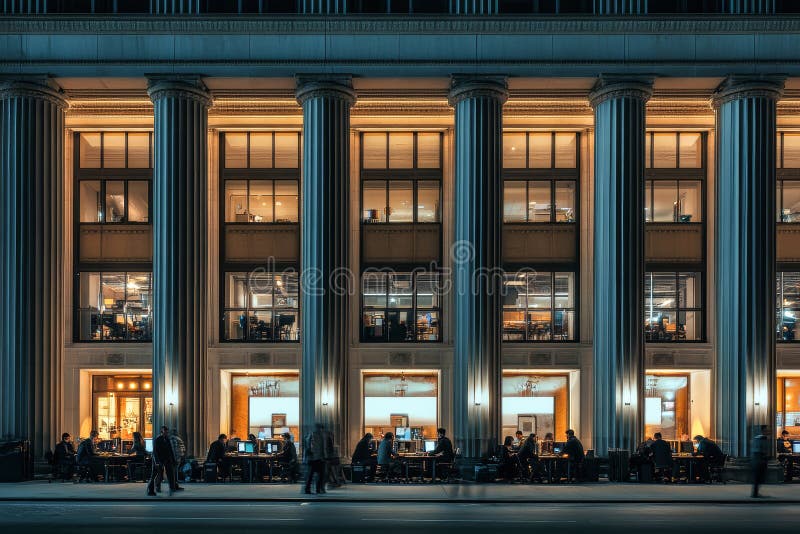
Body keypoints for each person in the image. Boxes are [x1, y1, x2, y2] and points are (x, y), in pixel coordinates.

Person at [147, 426, 180, 496]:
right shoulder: (158, 439)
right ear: (162, 432)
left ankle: (172, 487)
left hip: (167, 459)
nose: (166, 433)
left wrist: (173, 460)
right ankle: (152, 489)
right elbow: (155, 452)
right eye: (165, 432)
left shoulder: (167, 439)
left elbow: (170, 450)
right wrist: (157, 462)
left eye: (167, 432)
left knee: (170, 474)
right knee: (156, 475)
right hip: (159, 460)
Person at [304, 423, 329, 494]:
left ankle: (310, 489)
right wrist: (324, 456)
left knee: (312, 475)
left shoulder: (311, 435)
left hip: (314, 458)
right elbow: (318, 447)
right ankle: (316, 489)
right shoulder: (317, 435)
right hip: (316, 458)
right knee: (319, 475)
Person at [751, 425, 770, 498]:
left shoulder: (763, 438)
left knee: (758, 478)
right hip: (758, 461)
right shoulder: (760, 439)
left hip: (759, 461)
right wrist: (764, 457)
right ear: (762, 431)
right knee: (758, 478)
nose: (768, 431)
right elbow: (758, 450)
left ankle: (755, 493)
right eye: (766, 430)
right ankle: (755, 494)